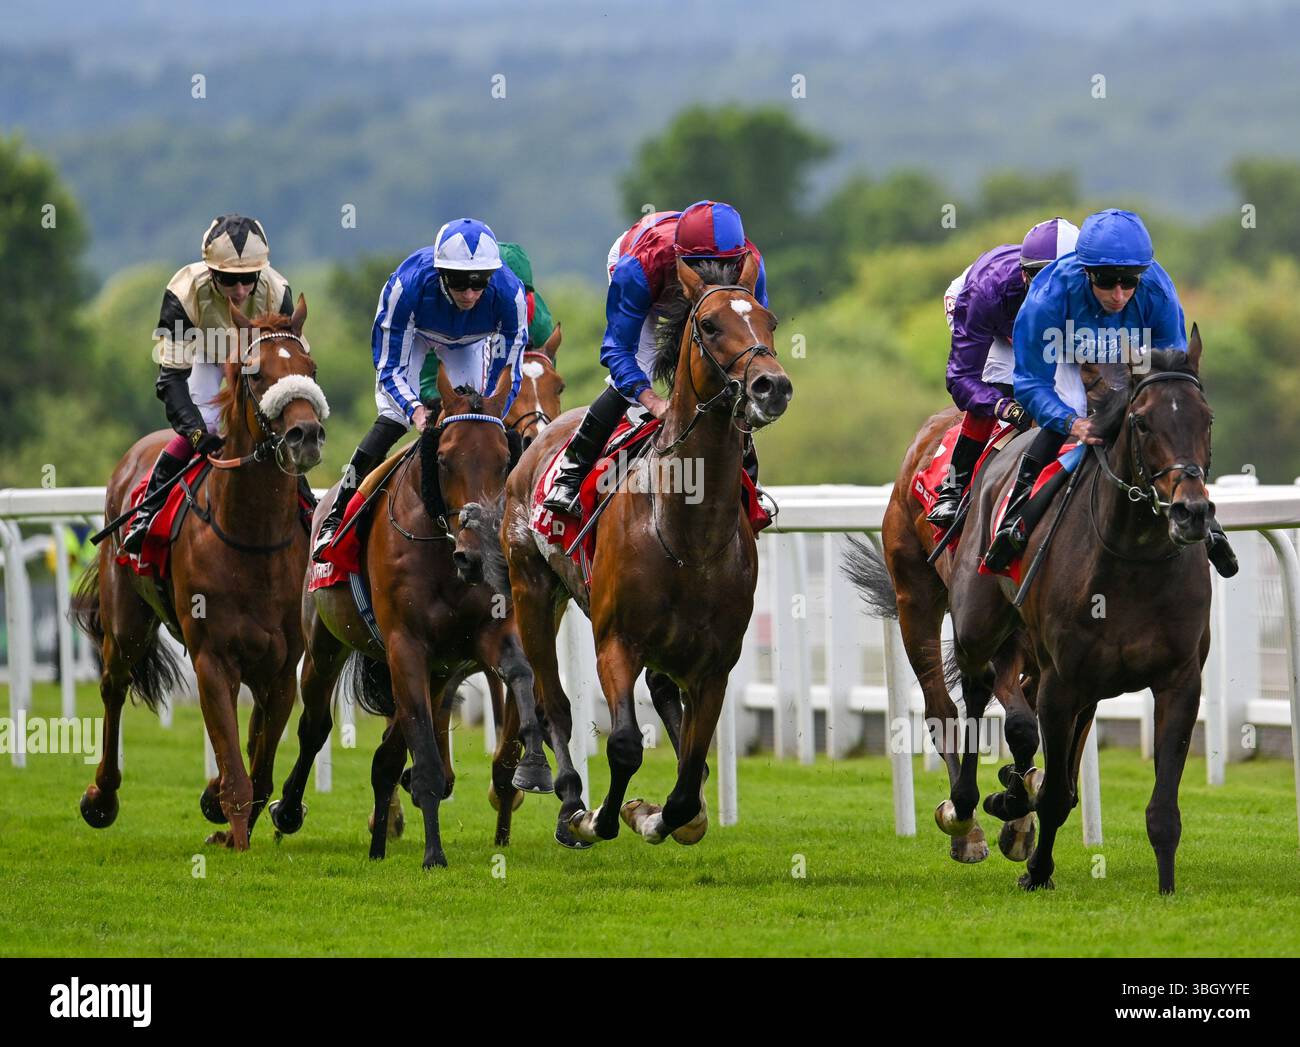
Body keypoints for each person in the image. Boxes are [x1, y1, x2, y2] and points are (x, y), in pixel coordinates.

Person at [983, 208, 1237, 576]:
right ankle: (1017, 517)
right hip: (1064, 354)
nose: (1119, 295)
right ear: (1086, 272)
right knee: (1073, 423)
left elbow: (1172, 377)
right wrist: (1071, 422)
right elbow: (1031, 382)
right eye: (1106, 281)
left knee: (1164, 421)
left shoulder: (1158, 292)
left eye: (1128, 281)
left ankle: (1206, 519)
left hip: (1129, 354)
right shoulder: (1046, 298)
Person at [312, 218, 527, 561]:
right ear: (441, 274)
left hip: (468, 344)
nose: (470, 294)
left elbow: (508, 373)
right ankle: (337, 516)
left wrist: (485, 414)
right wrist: (415, 410)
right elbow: (389, 368)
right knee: (393, 418)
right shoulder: (407, 287)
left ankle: (520, 519)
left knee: (484, 426)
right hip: (413, 338)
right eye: (459, 282)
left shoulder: (510, 294)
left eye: (479, 283)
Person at [541, 200, 767, 514]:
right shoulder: (637, 268)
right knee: (638, 373)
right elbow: (617, 351)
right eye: (702, 269)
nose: (712, 278)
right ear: (680, 259)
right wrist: (653, 402)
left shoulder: (751, 263)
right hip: (649, 274)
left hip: (683, 276)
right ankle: (570, 475)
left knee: (728, 376)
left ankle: (749, 486)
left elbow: (755, 336)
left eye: (724, 268)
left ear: (740, 260)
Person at [121, 215, 298, 554]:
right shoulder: (184, 291)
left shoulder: (278, 290)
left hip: (254, 360)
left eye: (249, 279)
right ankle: (149, 508)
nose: (241, 290)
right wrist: (197, 435)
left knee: (278, 428)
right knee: (208, 422)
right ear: (210, 271)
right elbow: (170, 381)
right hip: (203, 353)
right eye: (230, 280)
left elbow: (290, 366)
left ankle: (304, 503)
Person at [927, 217, 1080, 528]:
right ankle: (952, 489)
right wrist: (1003, 407)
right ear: (1024, 274)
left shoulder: (1095, 286)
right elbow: (961, 380)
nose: (1052, 291)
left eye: (1063, 279)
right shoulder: (985, 293)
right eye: (1041, 279)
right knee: (1002, 379)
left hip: (1028, 320)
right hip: (988, 314)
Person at [418, 240, 552, 402]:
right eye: (507, 289)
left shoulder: (539, 323)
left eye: (521, 292)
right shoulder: (455, 305)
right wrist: (431, 395)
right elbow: (431, 356)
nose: (512, 299)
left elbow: (547, 381)